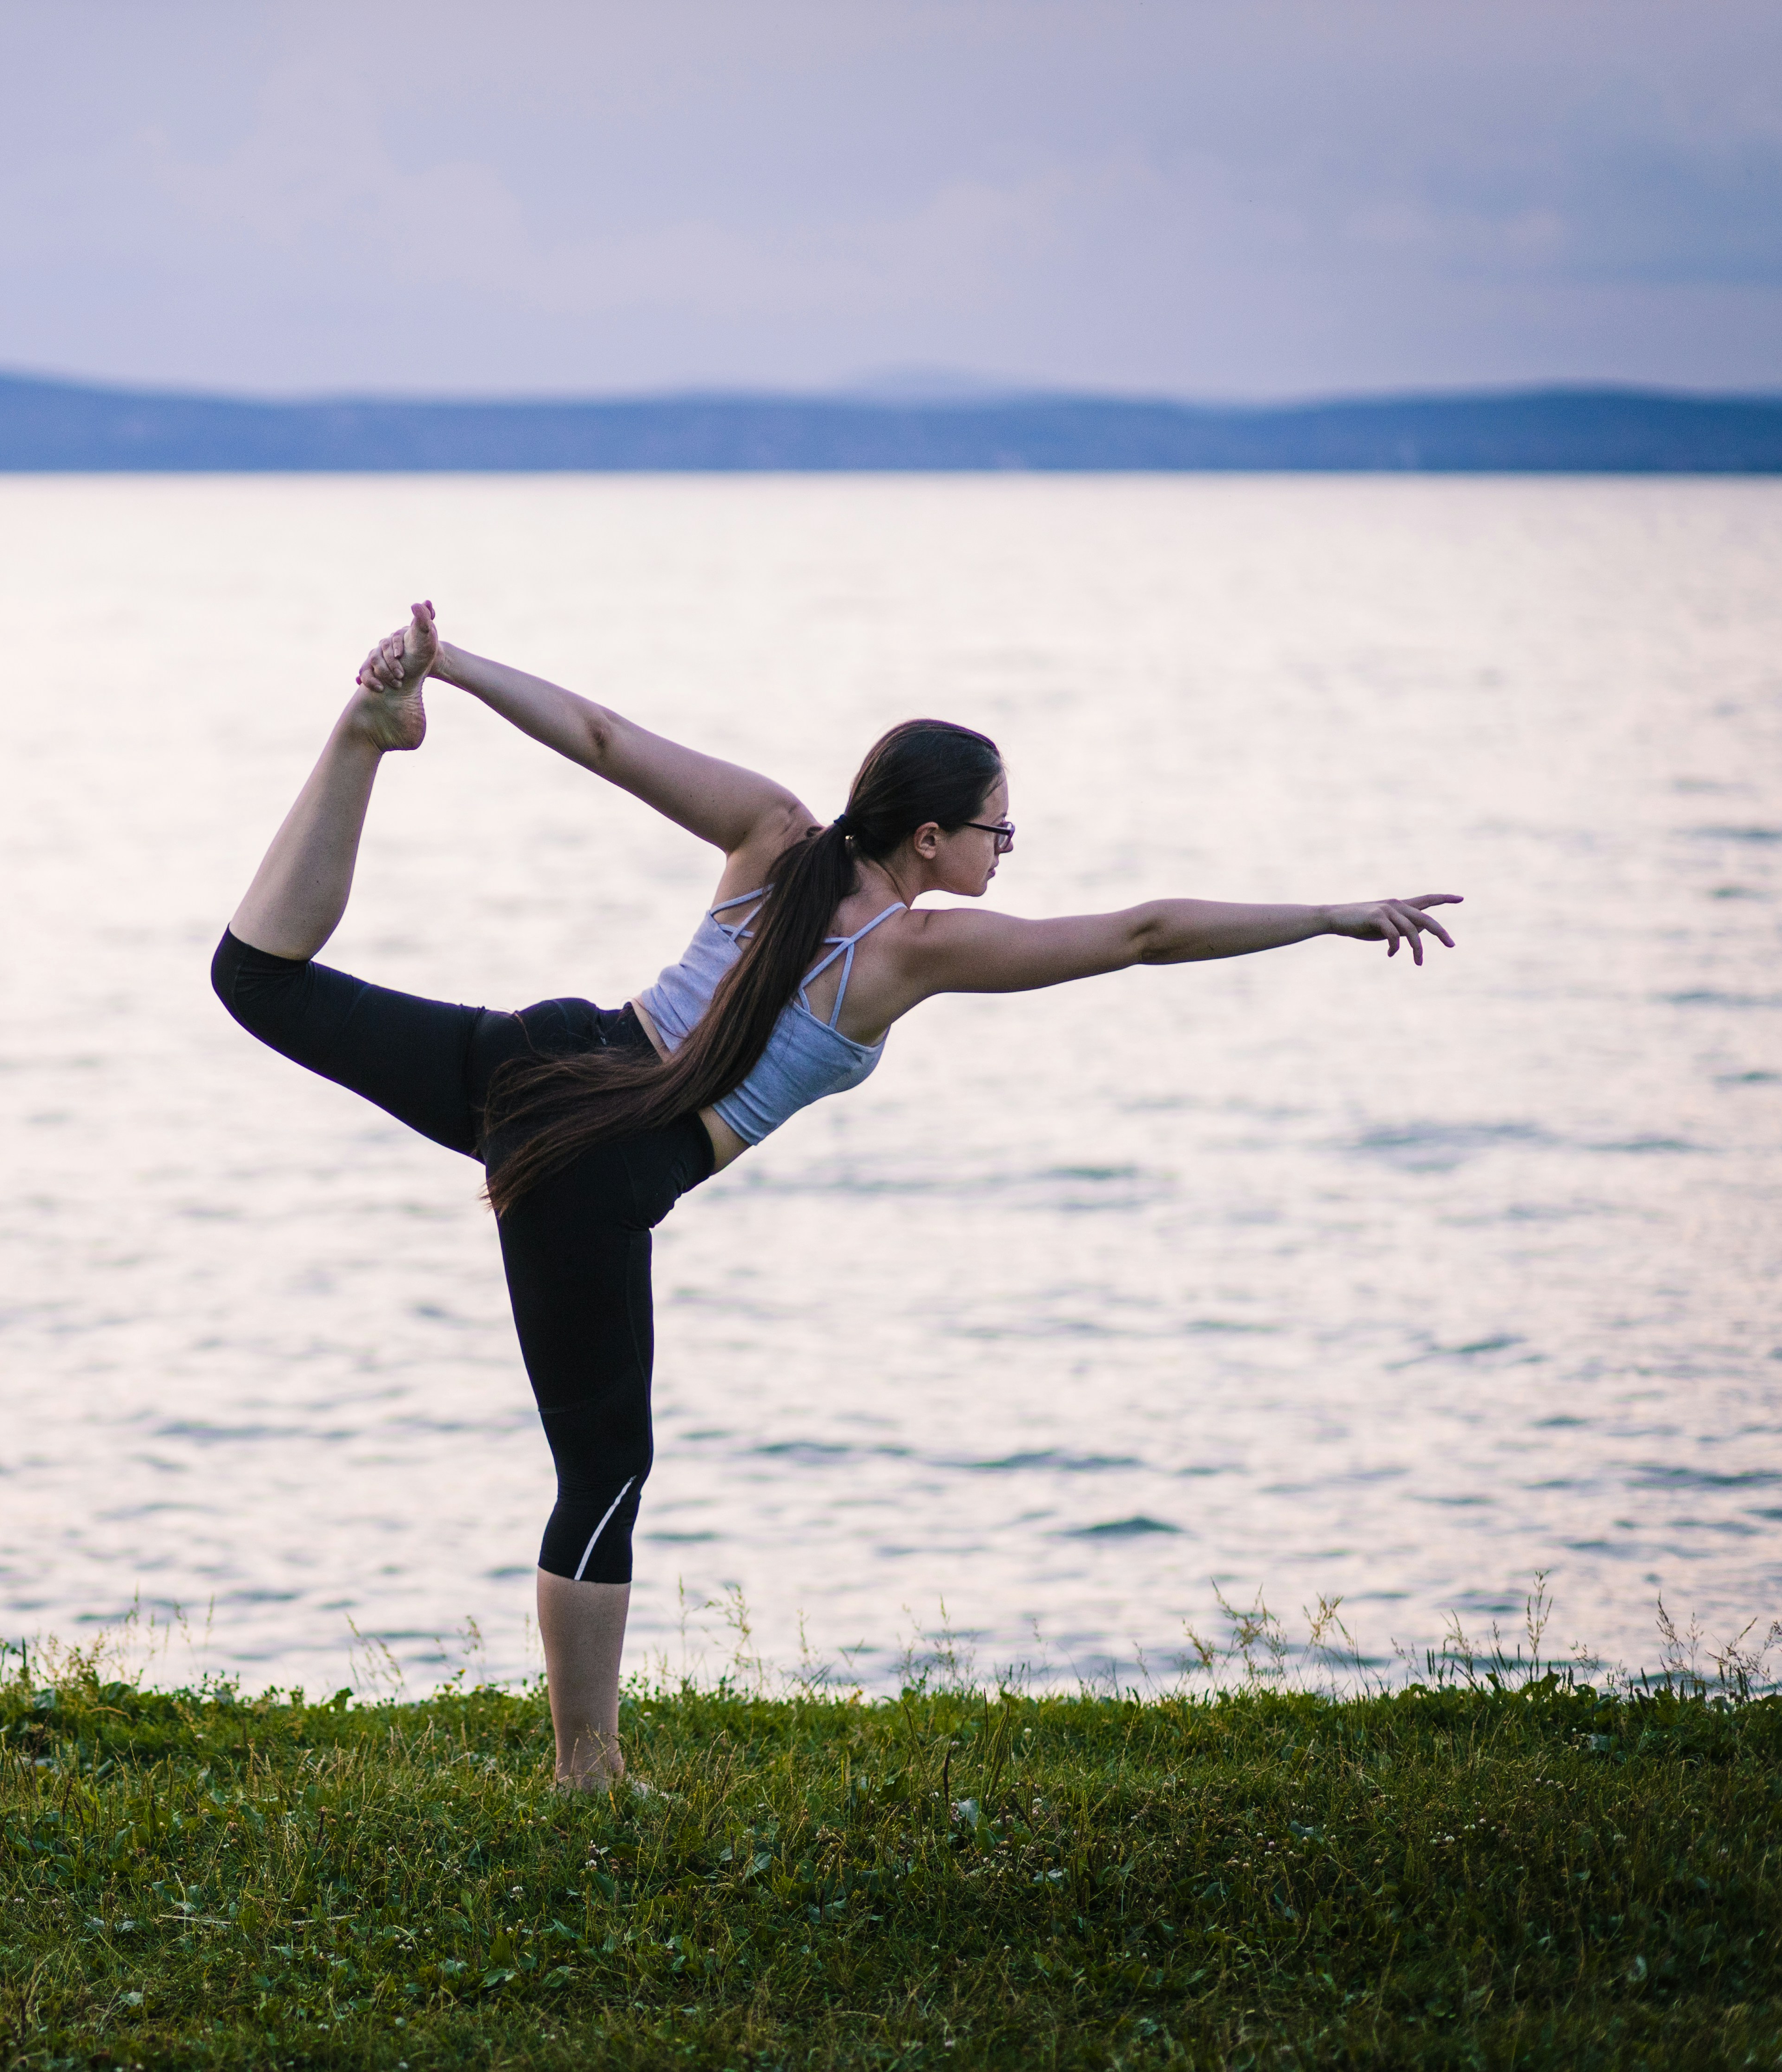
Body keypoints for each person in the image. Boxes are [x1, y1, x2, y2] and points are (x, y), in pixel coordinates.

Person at [213, 602, 1459, 1792]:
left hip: (543, 1051)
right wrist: (1326, 916)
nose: (1004, 851)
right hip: (599, 1162)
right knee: (606, 1470)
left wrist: (455, 666)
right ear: (933, 840)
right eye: (998, 831)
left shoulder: (771, 829)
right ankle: (584, 1773)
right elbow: (1139, 934)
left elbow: (601, 737)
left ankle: (361, 738)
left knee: (258, 981)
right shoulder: (910, 949)